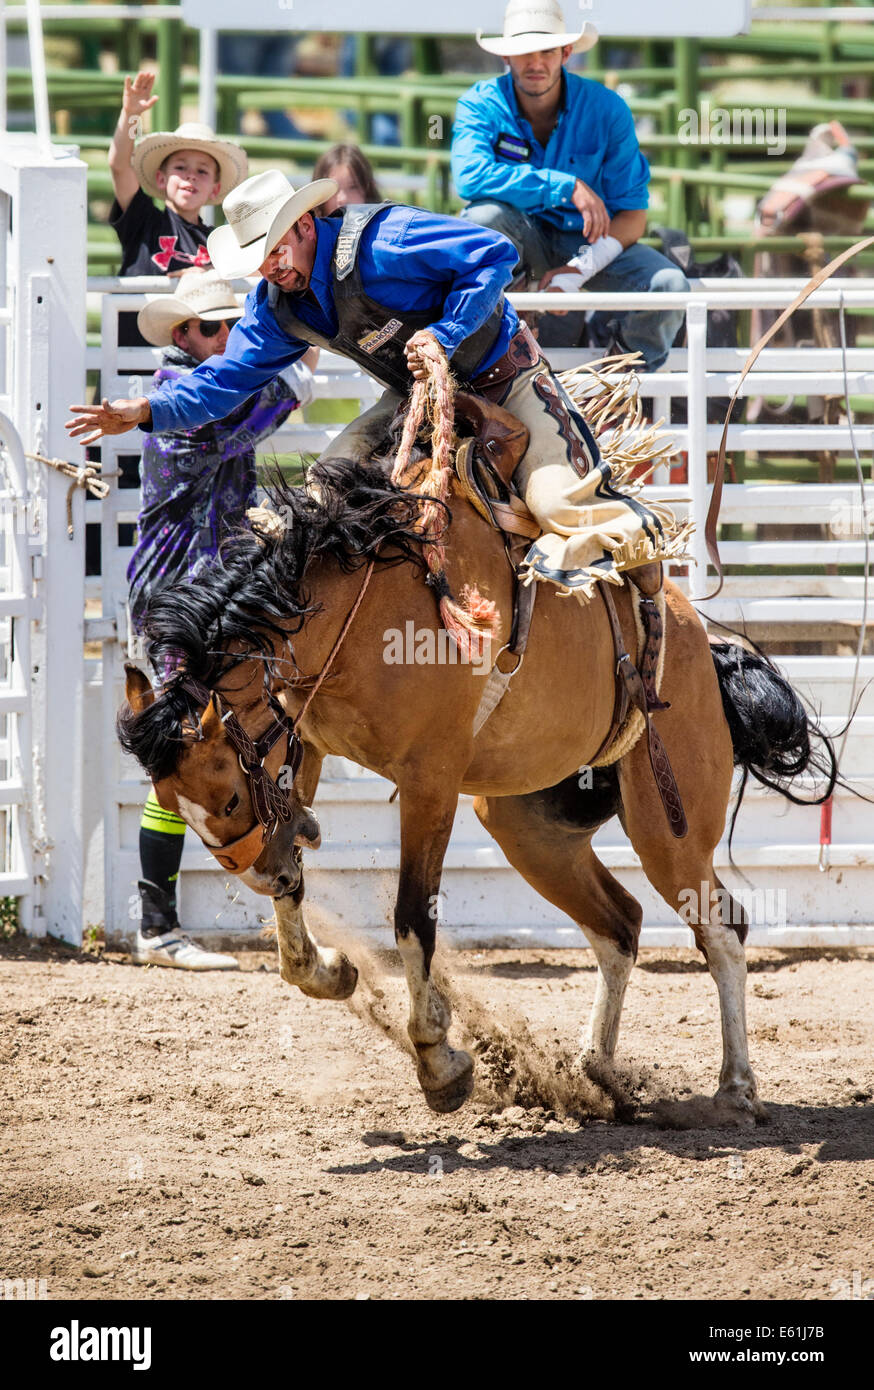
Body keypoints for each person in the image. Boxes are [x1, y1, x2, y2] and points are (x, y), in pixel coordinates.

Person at [67, 170, 683, 599]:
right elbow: (225, 380)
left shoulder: (386, 241)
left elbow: (494, 253)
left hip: (506, 376)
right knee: (316, 497)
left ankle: (640, 556)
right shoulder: (280, 305)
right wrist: (145, 410)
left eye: (275, 246)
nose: (271, 265)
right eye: (258, 257)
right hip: (415, 394)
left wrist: (444, 333)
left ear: (306, 224)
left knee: (557, 504)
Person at [128, 267, 318, 970]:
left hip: (208, 592)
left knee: (223, 729)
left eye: (234, 327)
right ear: (185, 335)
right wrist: (293, 366)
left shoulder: (192, 387)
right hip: (177, 598)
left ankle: (163, 920)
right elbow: (246, 418)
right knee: (181, 751)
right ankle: (157, 925)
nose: (229, 338)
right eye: (216, 329)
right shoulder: (177, 398)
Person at [450, 0, 688, 364]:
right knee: (483, 219)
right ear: (506, 58)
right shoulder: (480, 103)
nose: (535, 63)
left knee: (669, 286)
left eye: (546, 50)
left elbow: (634, 215)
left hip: (588, 245)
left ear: (565, 53)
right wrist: (565, 185)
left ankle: (614, 388)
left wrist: (581, 269)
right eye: (523, 52)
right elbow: (469, 176)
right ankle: (489, 340)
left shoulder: (607, 110)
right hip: (519, 245)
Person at [108, 71, 248, 344]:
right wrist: (132, 116)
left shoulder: (218, 243)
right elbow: (119, 165)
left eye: (202, 171)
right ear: (161, 178)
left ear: (215, 189)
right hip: (131, 360)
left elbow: (251, 271)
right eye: (181, 168)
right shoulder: (143, 221)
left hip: (189, 368)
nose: (190, 176)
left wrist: (205, 276)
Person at [312, 144, 381, 215]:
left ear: (369, 190)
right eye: (333, 190)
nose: (343, 199)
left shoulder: (386, 223)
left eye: (353, 187)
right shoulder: (306, 224)